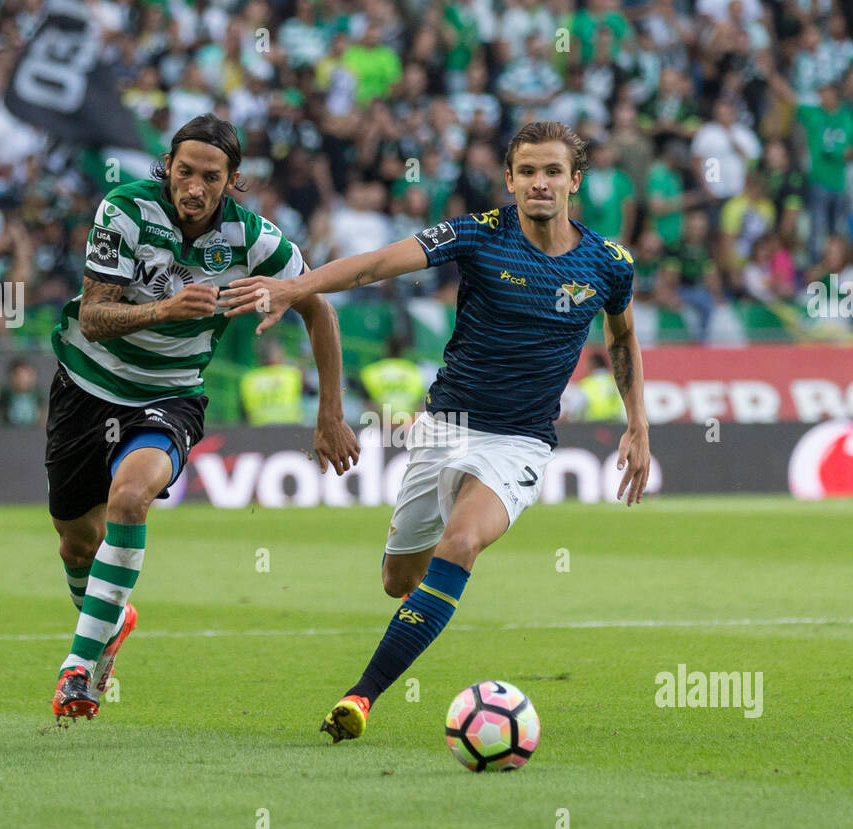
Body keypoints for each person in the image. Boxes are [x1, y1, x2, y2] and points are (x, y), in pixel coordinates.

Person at [220, 120, 651, 743]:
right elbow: (375, 265)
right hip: (443, 427)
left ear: (574, 182)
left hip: (519, 442)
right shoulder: (480, 235)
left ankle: (359, 698)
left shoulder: (608, 264)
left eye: (553, 171)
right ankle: (421, 607)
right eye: (527, 171)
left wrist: (637, 422)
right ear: (509, 179)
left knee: (461, 544)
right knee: (399, 581)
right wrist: (296, 286)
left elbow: (622, 336)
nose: (539, 183)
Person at [47, 113, 359, 719]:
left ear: (233, 180)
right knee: (74, 545)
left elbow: (319, 309)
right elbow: (92, 315)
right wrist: (164, 311)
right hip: (84, 389)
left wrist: (330, 415)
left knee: (130, 498)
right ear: (167, 165)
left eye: (210, 177)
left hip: (170, 395)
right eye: (184, 171)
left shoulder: (255, 240)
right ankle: (110, 618)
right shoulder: (123, 211)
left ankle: (80, 671)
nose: (194, 187)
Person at [0, 357, 45, 428]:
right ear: (11, 377)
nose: (23, 379)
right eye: (19, 375)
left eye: (27, 375)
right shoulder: (5, 396)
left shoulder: (38, 395)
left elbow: (43, 418)